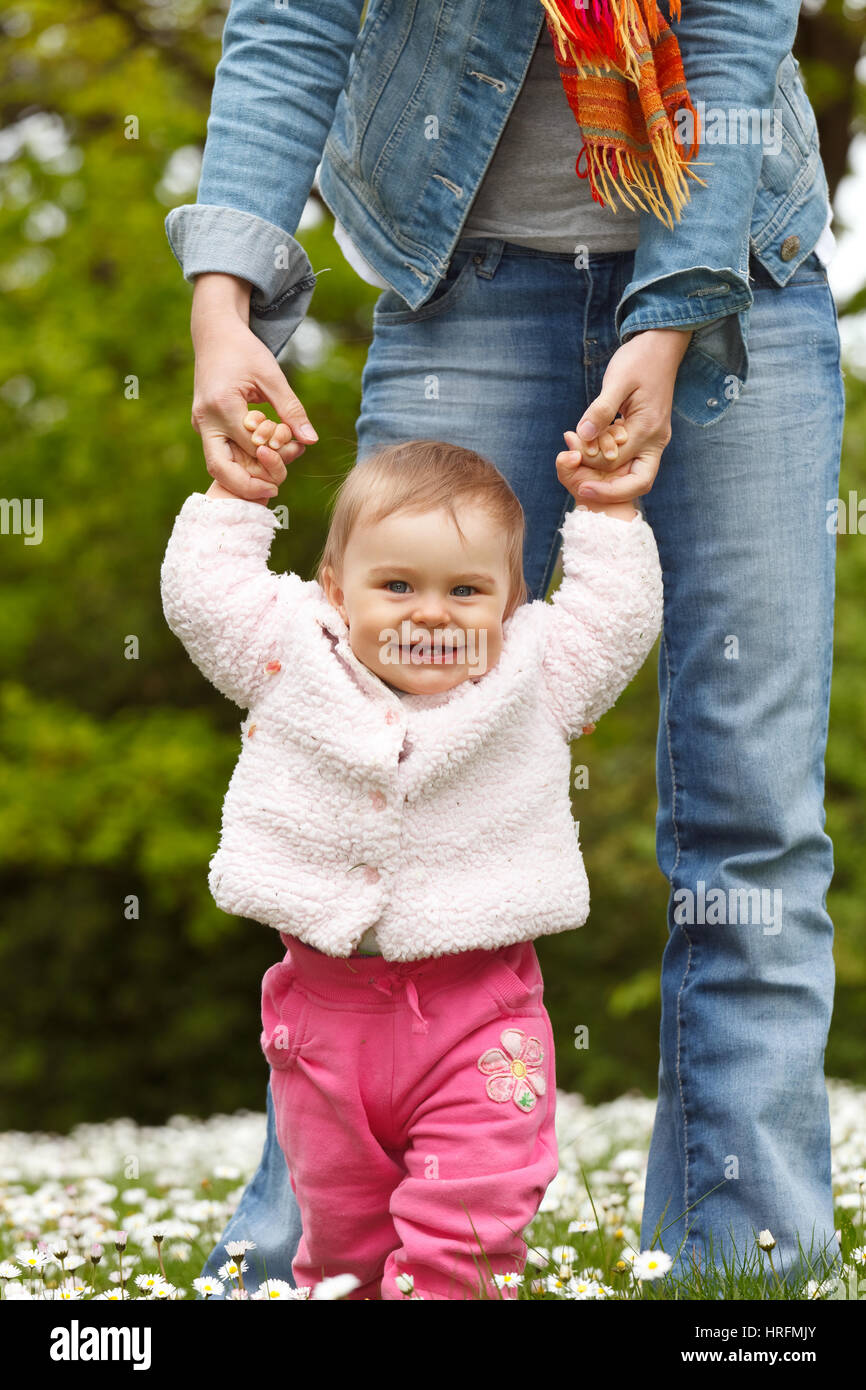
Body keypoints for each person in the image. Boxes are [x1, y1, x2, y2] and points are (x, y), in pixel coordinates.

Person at [164, 0, 844, 1289]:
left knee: (753, 808)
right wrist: (223, 301)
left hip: (734, 288)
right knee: (363, 760)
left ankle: (745, 1264)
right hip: (461, 281)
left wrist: (664, 318)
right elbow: (293, 18)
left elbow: (737, 30)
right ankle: (303, 1255)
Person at [160, 434, 664, 1299]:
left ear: (510, 604)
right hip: (323, 1021)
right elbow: (202, 599)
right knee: (344, 1239)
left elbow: (615, 623)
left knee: (470, 1223)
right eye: (397, 586)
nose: (430, 613)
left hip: (480, 1017)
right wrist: (233, 499)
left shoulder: (533, 677)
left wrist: (608, 515)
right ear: (335, 591)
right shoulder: (289, 655)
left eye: (466, 591)